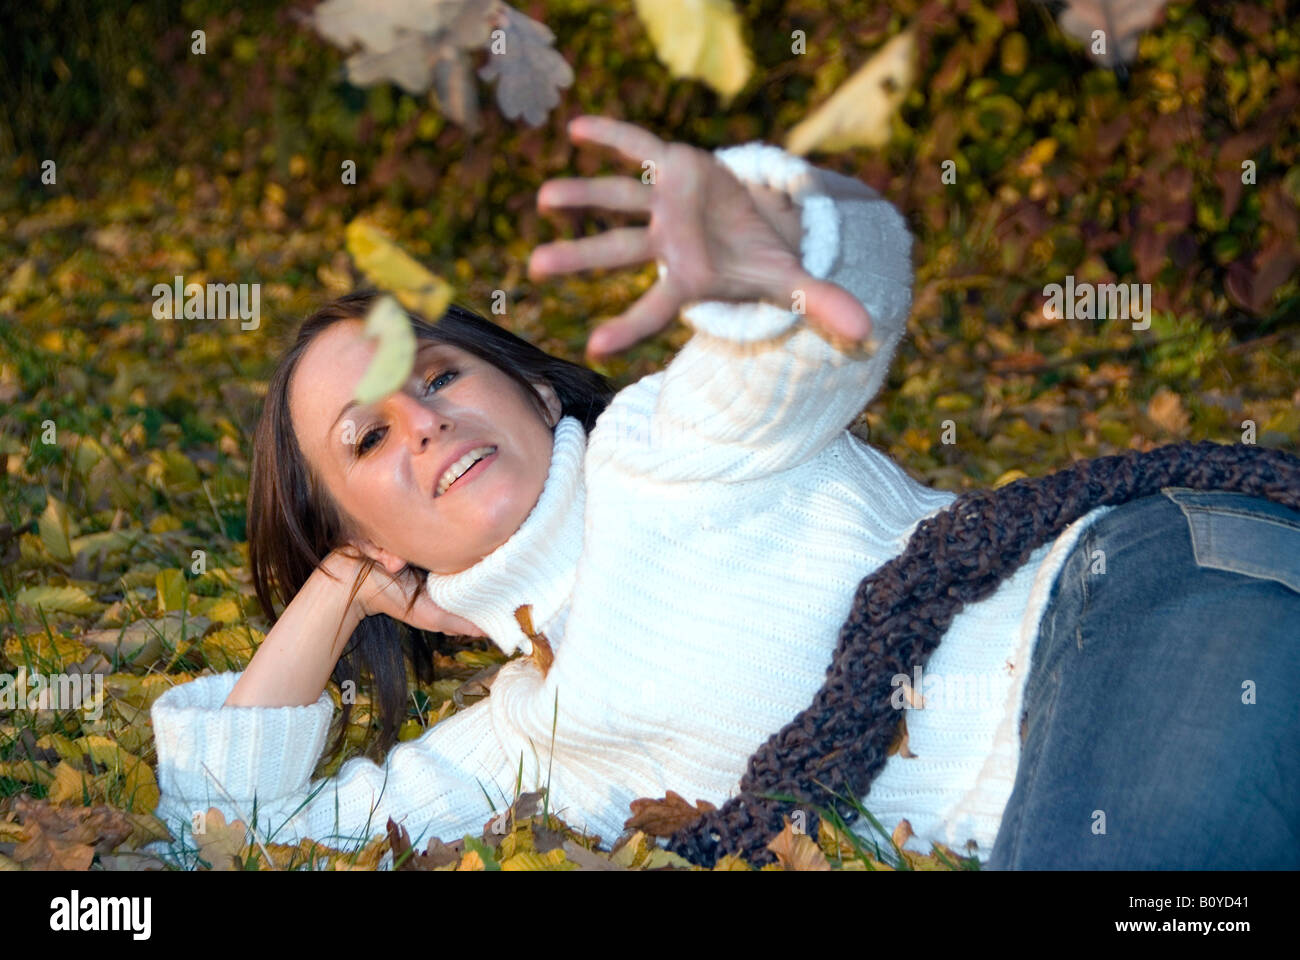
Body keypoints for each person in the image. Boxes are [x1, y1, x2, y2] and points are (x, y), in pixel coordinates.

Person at [149, 116, 1300, 870]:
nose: (428, 421)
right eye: (370, 437)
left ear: (538, 397)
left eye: (439, 375)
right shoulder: (524, 737)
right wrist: (341, 590)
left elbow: (818, 325)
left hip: (1141, 603)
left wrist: (776, 242)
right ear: (357, 527)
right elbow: (230, 835)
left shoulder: (666, 441)